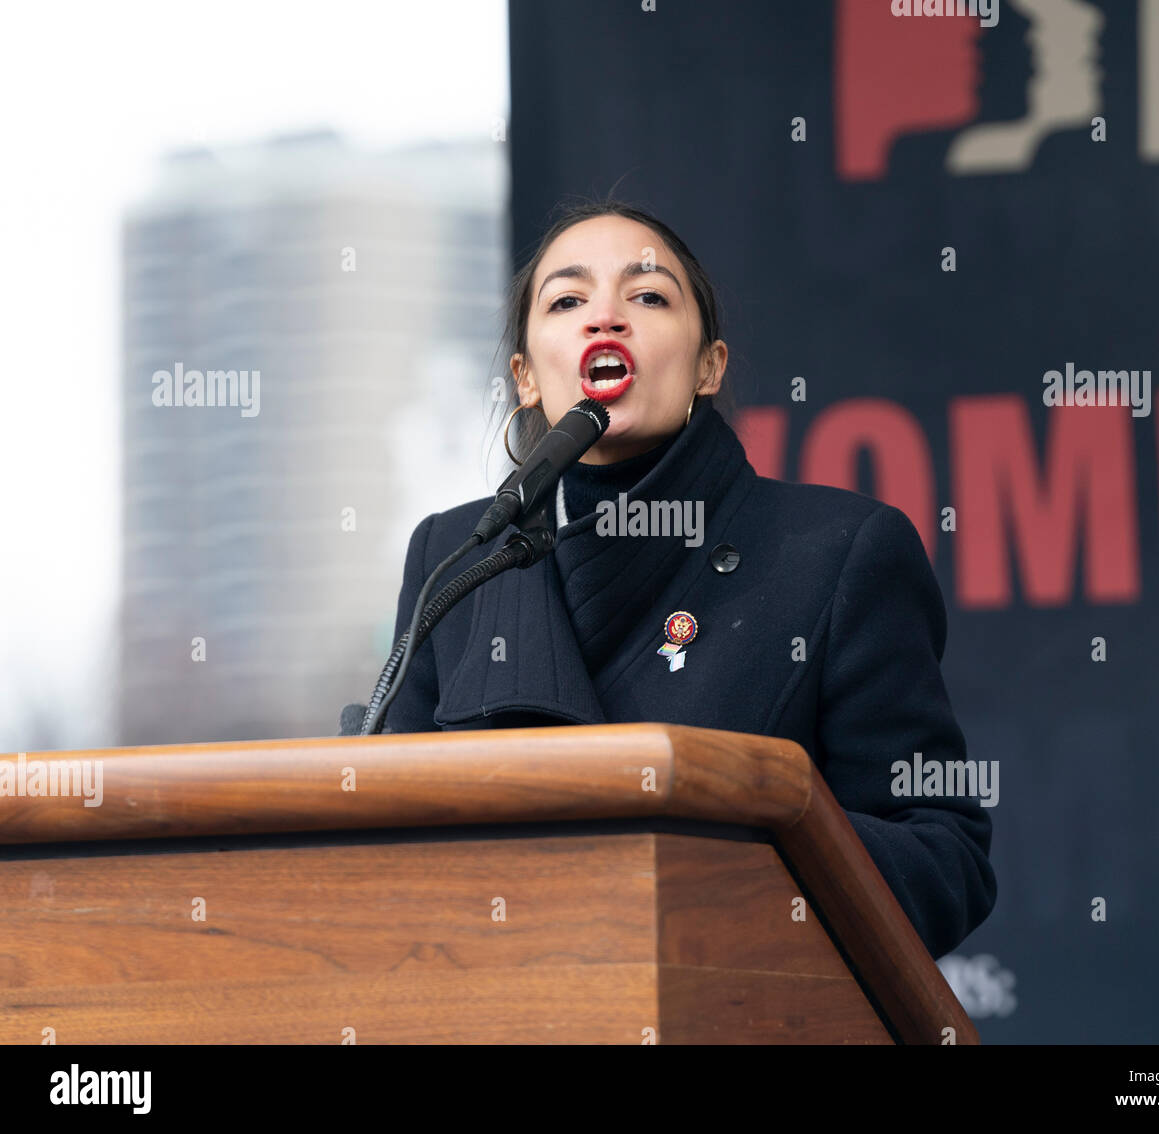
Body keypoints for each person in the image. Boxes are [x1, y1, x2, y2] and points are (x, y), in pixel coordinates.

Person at [381, 200, 995, 960]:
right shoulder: (454, 554)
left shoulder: (837, 551)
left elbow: (945, 857)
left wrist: (733, 863)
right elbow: (380, 830)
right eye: (568, 300)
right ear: (526, 378)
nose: (605, 317)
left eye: (647, 296)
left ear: (710, 365)